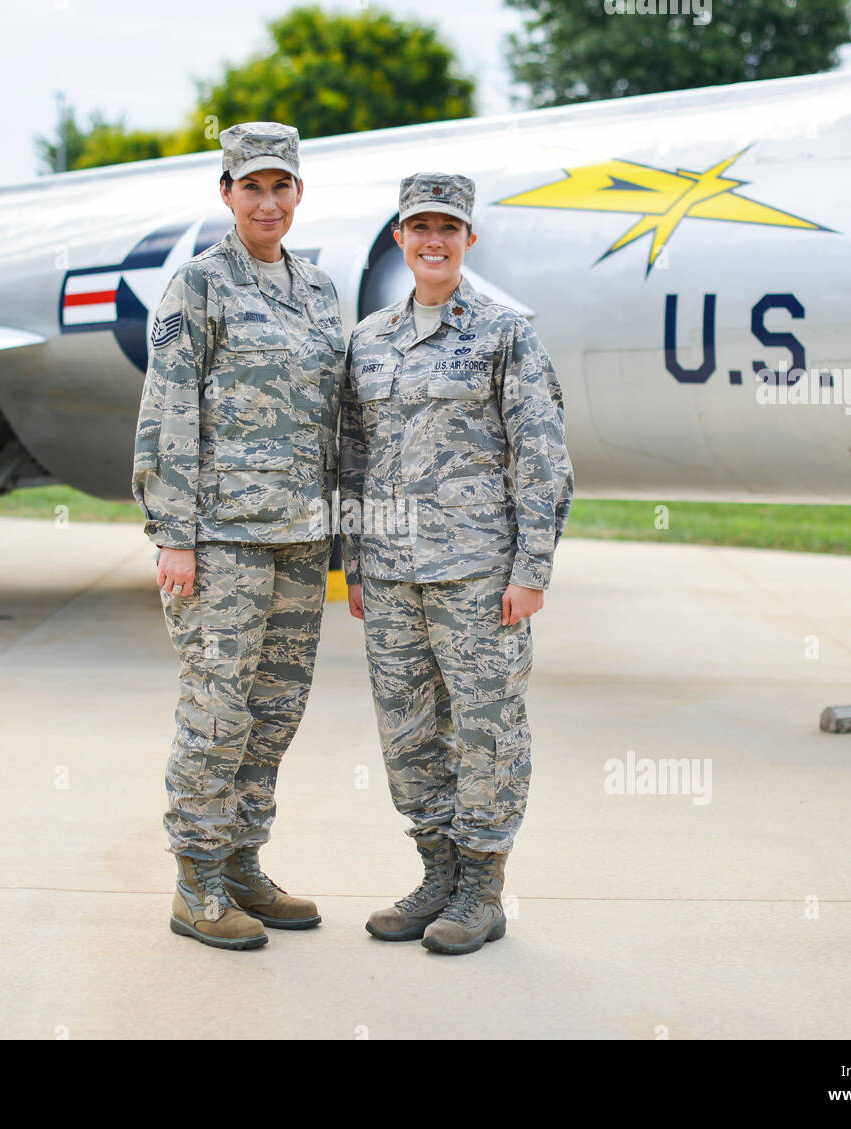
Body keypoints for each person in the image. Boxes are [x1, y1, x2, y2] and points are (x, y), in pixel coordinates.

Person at [340, 172, 573, 956]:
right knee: (407, 732)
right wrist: (358, 561)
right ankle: (436, 870)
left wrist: (531, 570)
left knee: (487, 729)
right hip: (392, 575)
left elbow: (542, 459)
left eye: (448, 227)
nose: (432, 240)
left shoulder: (507, 335)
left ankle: (482, 885)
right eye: (418, 227)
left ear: (469, 240)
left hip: (479, 575)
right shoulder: (369, 340)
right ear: (399, 239)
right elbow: (353, 456)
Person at [131, 121, 347, 951]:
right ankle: (196, 882)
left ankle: (244, 864)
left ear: (298, 194)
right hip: (218, 541)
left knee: (274, 711)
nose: (267, 200)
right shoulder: (197, 285)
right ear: (226, 193)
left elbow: (335, 417)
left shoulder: (320, 292)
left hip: (299, 540)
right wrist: (173, 535)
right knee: (216, 711)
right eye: (250, 185)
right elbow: (168, 412)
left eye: (280, 185)